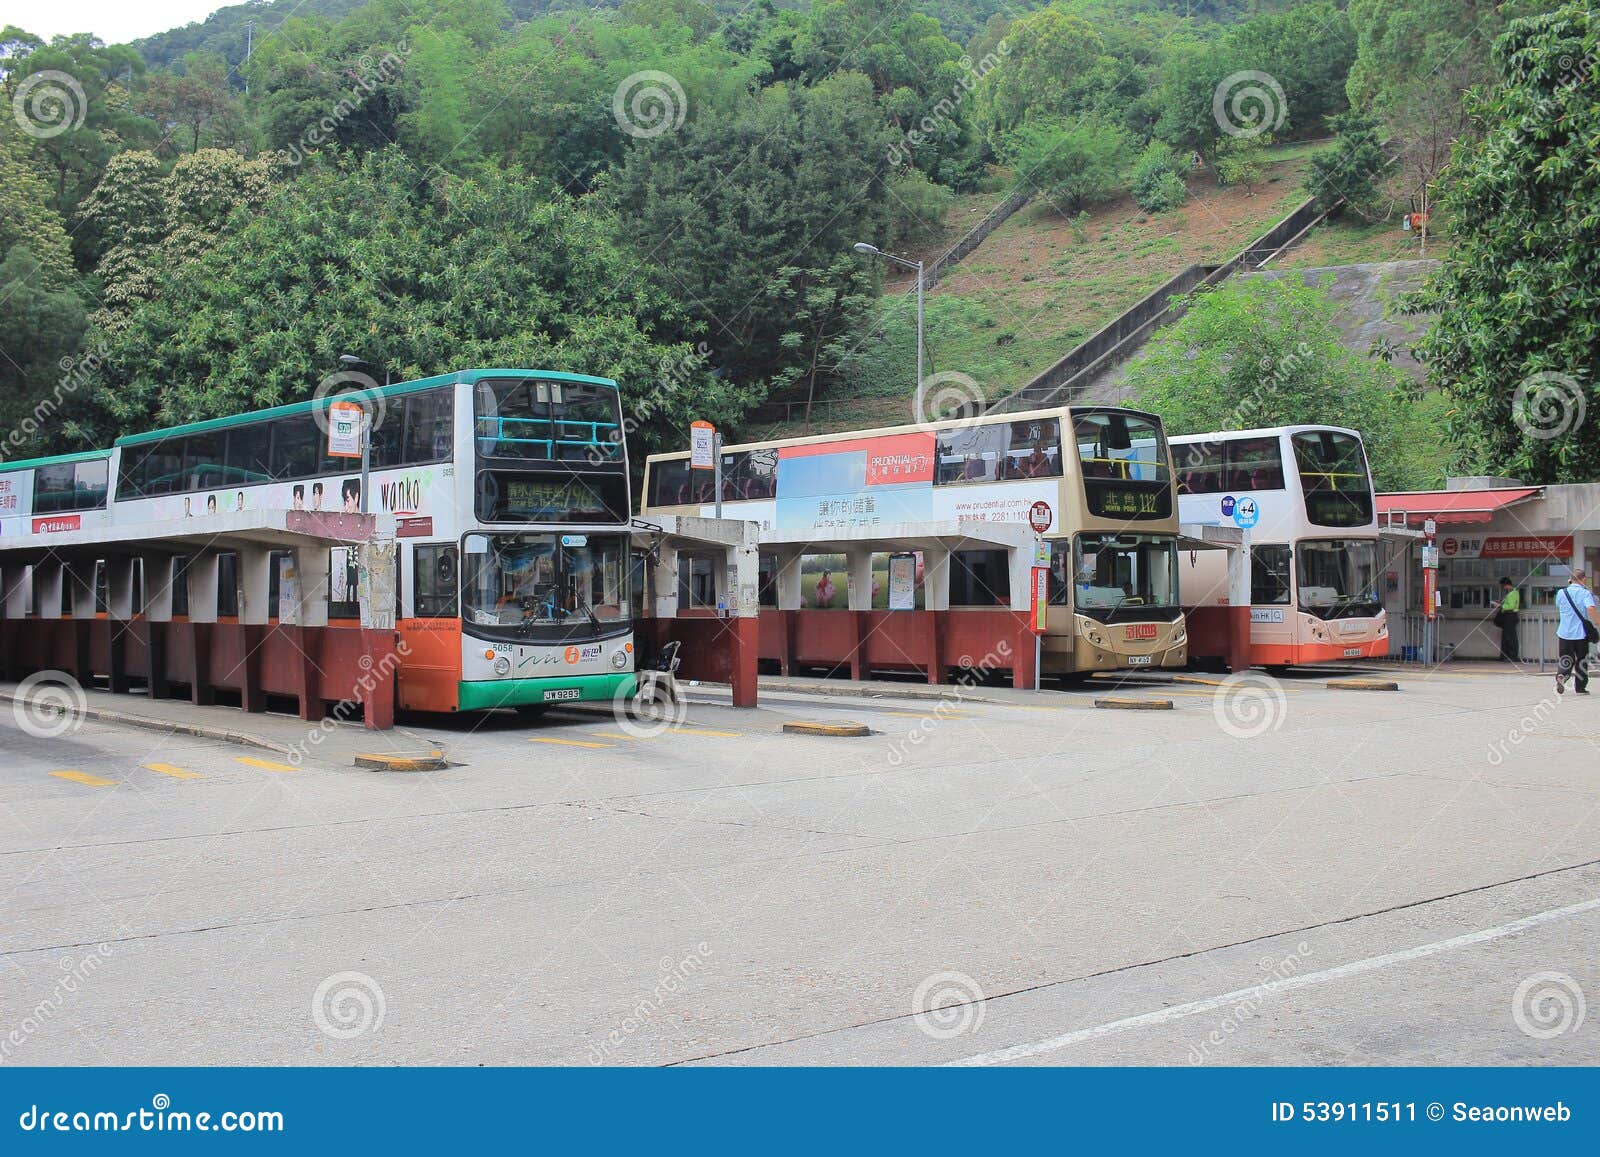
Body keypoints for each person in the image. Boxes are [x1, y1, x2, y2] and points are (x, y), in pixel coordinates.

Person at [1555, 568, 1599, 695]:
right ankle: (1580, 688)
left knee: (1565, 658)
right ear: (1583, 579)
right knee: (1581, 661)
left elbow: (1559, 606)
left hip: (1564, 632)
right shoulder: (1585, 593)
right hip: (1580, 634)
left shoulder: (1561, 593)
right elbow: (1590, 609)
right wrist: (1598, 621)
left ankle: (1562, 675)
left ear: (1570, 580)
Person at [1493, 577, 1521, 661]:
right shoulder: (1513, 593)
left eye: (1503, 586)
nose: (1503, 588)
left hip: (1510, 615)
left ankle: (1512, 656)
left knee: (1510, 637)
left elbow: (1511, 606)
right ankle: (1505, 656)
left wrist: (1500, 606)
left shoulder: (1513, 593)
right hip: (1509, 616)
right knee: (1506, 637)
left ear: (1506, 585)